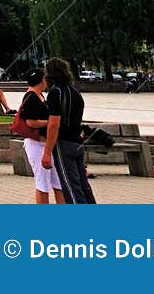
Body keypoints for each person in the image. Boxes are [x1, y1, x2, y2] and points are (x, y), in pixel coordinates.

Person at [40, 57, 95, 204]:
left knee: (70, 187)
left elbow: (54, 124)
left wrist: (46, 152)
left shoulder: (55, 93)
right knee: (83, 185)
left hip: (63, 145)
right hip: (77, 142)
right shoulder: (75, 93)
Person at [13, 69, 60, 204]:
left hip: (46, 143)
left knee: (58, 182)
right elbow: (31, 122)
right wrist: (51, 122)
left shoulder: (41, 96)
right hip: (36, 144)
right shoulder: (31, 97)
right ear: (41, 80)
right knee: (43, 183)